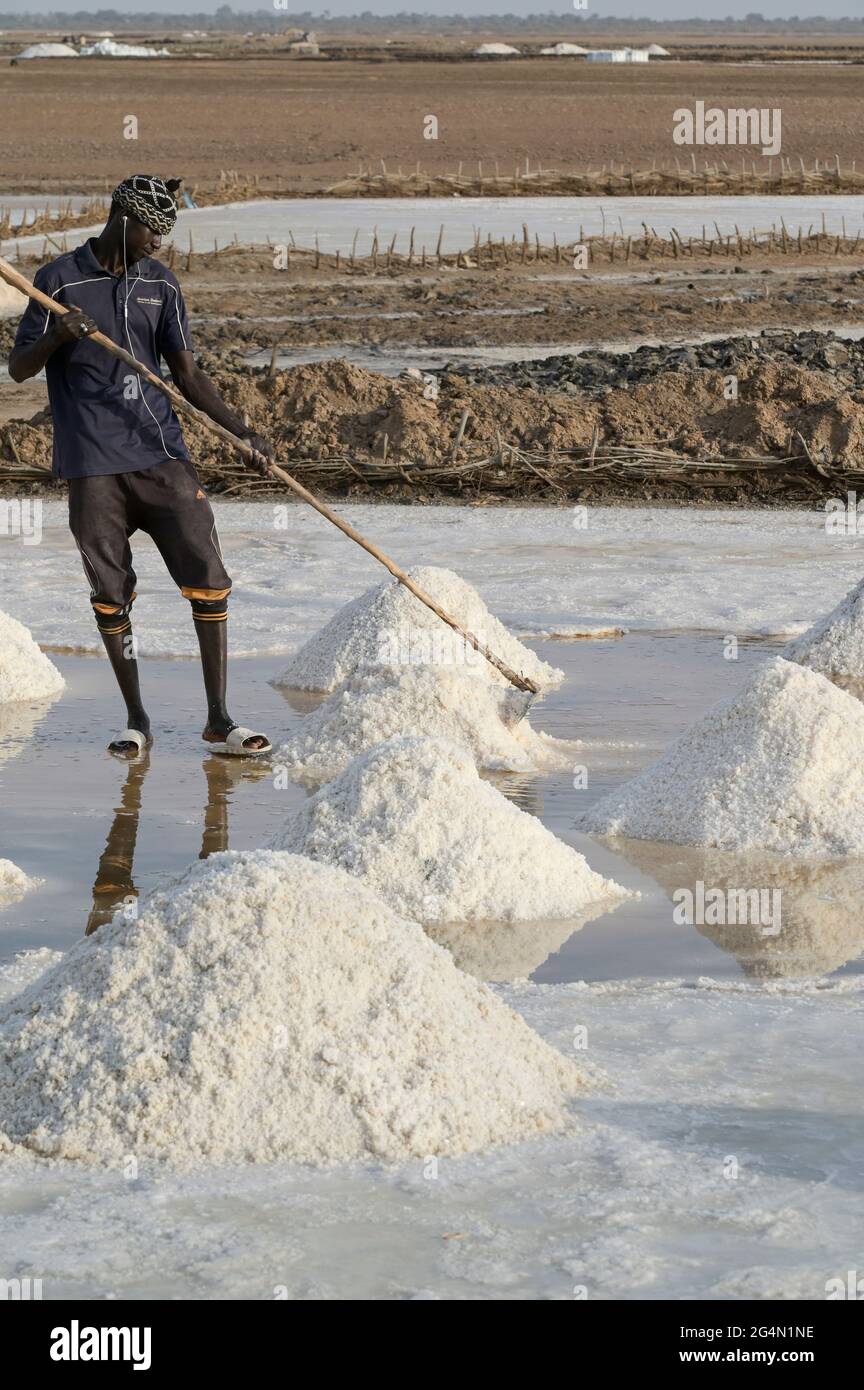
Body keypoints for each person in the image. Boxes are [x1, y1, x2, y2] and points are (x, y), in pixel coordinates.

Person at [8, 173, 272, 757]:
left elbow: (189, 373)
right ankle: (136, 720)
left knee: (207, 576)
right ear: (122, 219)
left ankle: (219, 719)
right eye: (153, 229)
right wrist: (59, 334)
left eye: (164, 231)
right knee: (111, 593)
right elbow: (19, 369)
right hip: (92, 465)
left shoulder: (160, 284)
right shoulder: (59, 280)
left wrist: (241, 432)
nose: (158, 241)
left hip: (161, 456)